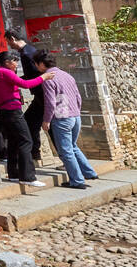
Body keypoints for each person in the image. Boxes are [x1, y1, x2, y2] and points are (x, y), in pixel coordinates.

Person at [0, 50, 54, 186]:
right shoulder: (5, 72)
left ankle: (14, 173)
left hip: (5, 111)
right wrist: (44, 77)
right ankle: (28, 176)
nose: (16, 64)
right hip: (12, 110)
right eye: (15, 61)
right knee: (26, 141)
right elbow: (25, 84)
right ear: (7, 62)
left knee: (14, 141)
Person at [38, 54, 100, 189]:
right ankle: (90, 172)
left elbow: (50, 102)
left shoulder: (48, 79)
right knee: (73, 147)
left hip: (62, 117)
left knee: (66, 151)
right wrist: (76, 111)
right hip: (75, 115)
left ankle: (77, 181)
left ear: (41, 64)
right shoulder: (67, 75)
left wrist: (46, 120)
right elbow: (78, 97)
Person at [5, 29, 46, 161]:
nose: (9, 45)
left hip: (42, 95)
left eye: (8, 41)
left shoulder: (27, 54)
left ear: (12, 38)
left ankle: (65, 159)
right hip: (39, 95)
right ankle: (35, 153)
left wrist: (16, 81)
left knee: (48, 126)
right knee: (31, 122)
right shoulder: (28, 51)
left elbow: (35, 75)